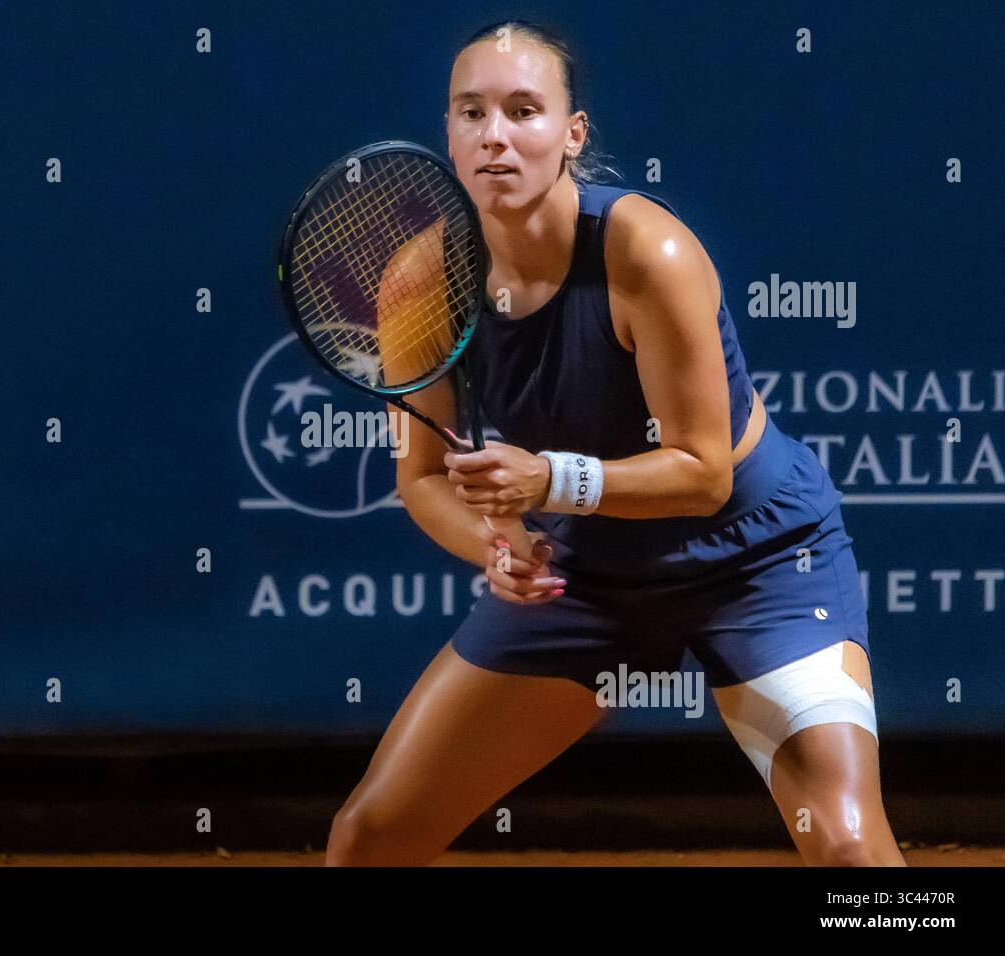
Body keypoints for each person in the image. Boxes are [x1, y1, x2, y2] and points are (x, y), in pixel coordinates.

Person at [325, 19, 904, 866]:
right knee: (369, 839)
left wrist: (546, 481)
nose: (496, 135)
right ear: (447, 134)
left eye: (524, 111)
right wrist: (498, 545)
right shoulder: (418, 279)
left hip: (757, 563)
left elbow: (704, 474)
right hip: (581, 576)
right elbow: (421, 478)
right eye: (472, 113)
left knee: (850, 850)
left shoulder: (650, 253)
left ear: (572, 133)